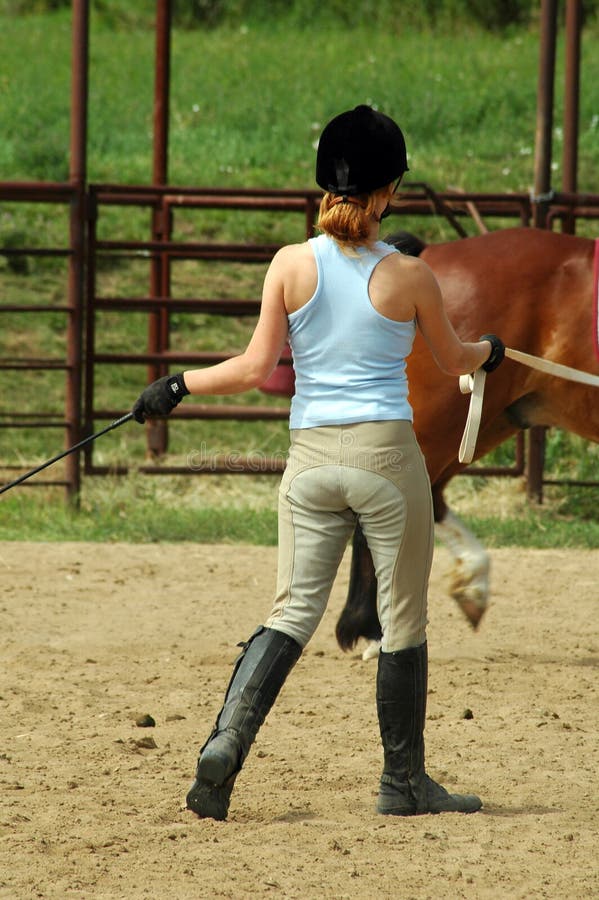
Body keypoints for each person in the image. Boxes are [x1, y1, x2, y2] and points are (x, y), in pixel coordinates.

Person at [132, 104, 505, 821]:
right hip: (384, 463)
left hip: (308, 466)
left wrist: (175, 386)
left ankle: (225, 747)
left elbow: (249, 367)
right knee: (401, 620)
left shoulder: (288, 264)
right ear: (388, 191)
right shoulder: (410, 275)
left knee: (291, 612)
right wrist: (487, 351)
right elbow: (454, 360)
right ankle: (402, 783)